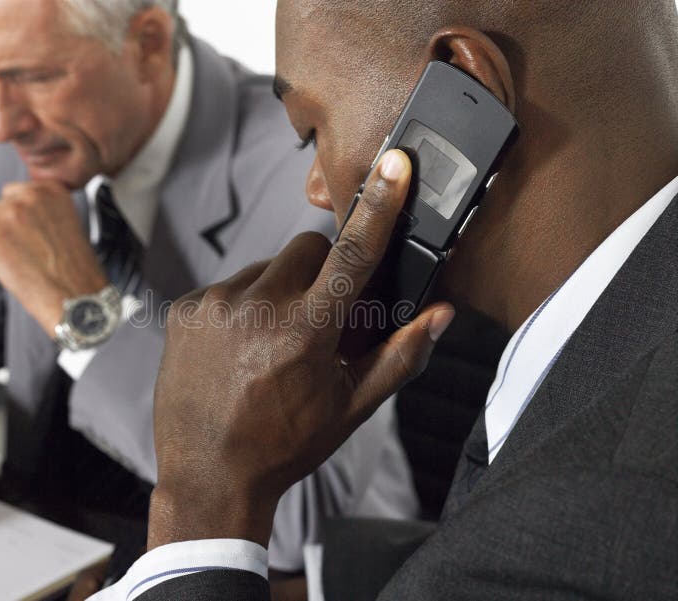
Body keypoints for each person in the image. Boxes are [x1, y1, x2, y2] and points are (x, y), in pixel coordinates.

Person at [88, 0, 678, 599]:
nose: (316, 190)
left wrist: (202, 508)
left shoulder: (592, 521)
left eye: (310, 134)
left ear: (464, 90)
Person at [0, 0, 420, 587]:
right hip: (46, 550)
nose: (0, 123)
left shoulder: (316, 174)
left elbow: (294, 520)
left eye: (32, 77)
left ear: (147, 43)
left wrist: (84, 315)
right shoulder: (25, 143)